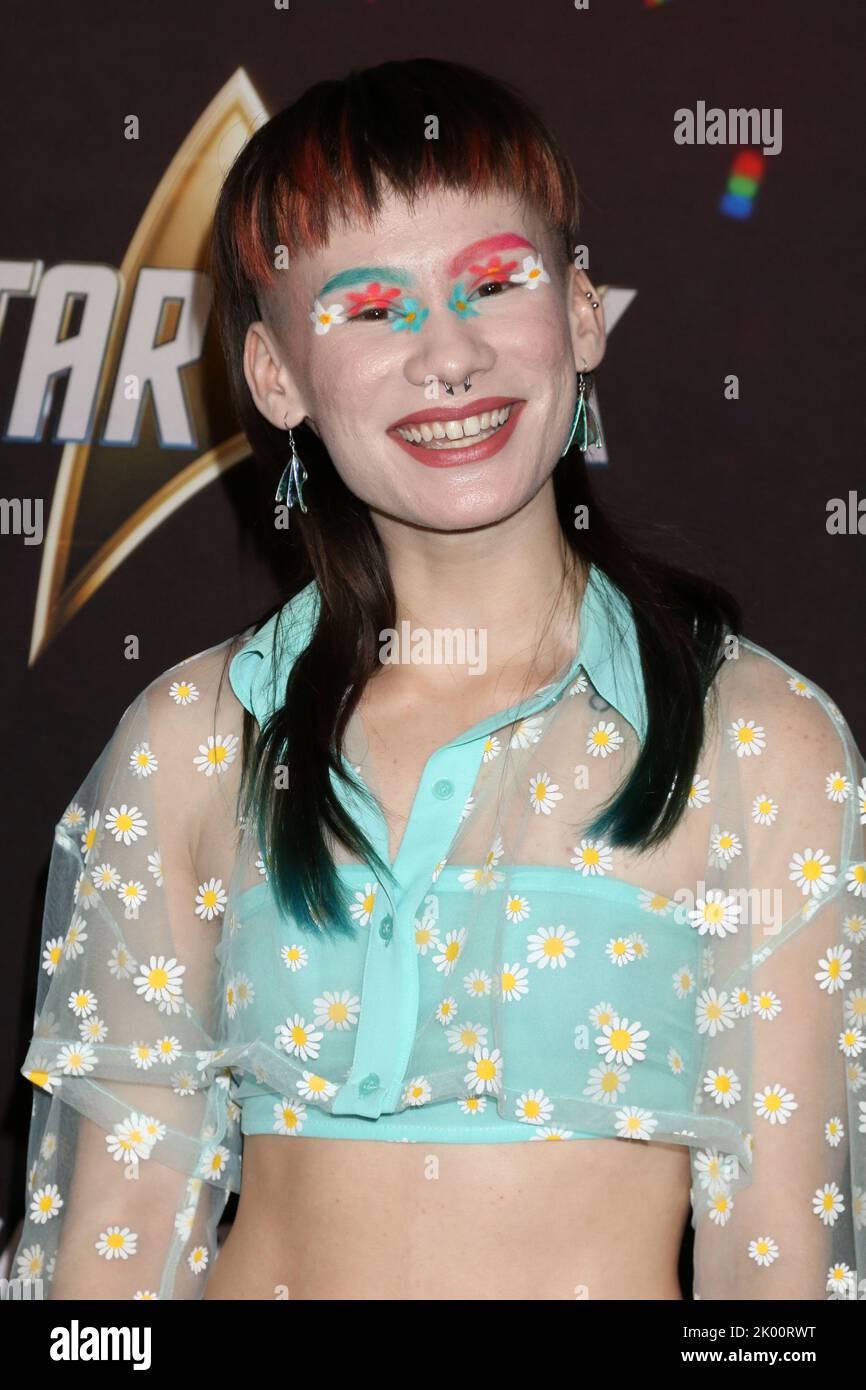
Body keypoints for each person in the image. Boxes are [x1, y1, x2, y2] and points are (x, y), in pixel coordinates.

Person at [9, 59, 865, 1302]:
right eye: (368, 309)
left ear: (578, 312)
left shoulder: (760, 744)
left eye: (491, 284)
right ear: (275, 378)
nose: (447, 357)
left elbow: (778, 1279)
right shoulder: (194, 736)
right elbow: (110, 1263)